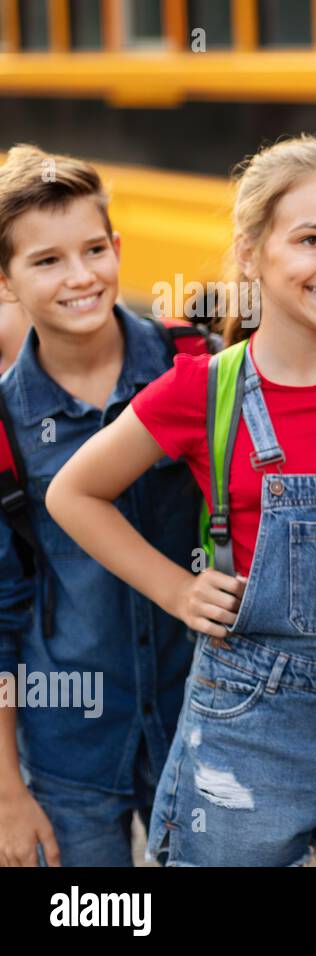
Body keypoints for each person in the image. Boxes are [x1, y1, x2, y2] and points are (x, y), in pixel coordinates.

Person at [47, 135, 316, 866]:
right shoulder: (202, 390)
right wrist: (175, 588)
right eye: (311, 240)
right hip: (245, 734)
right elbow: (74, 493)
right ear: (250, 251)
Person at [0, 145, 203, 866]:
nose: (81, 277)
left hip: (204, 725)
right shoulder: (5, 425)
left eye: (94, 250)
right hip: (70, 750)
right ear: (6, 280)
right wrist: (6, 793)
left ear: (118, 249)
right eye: (47, 261)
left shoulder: (193, 372)